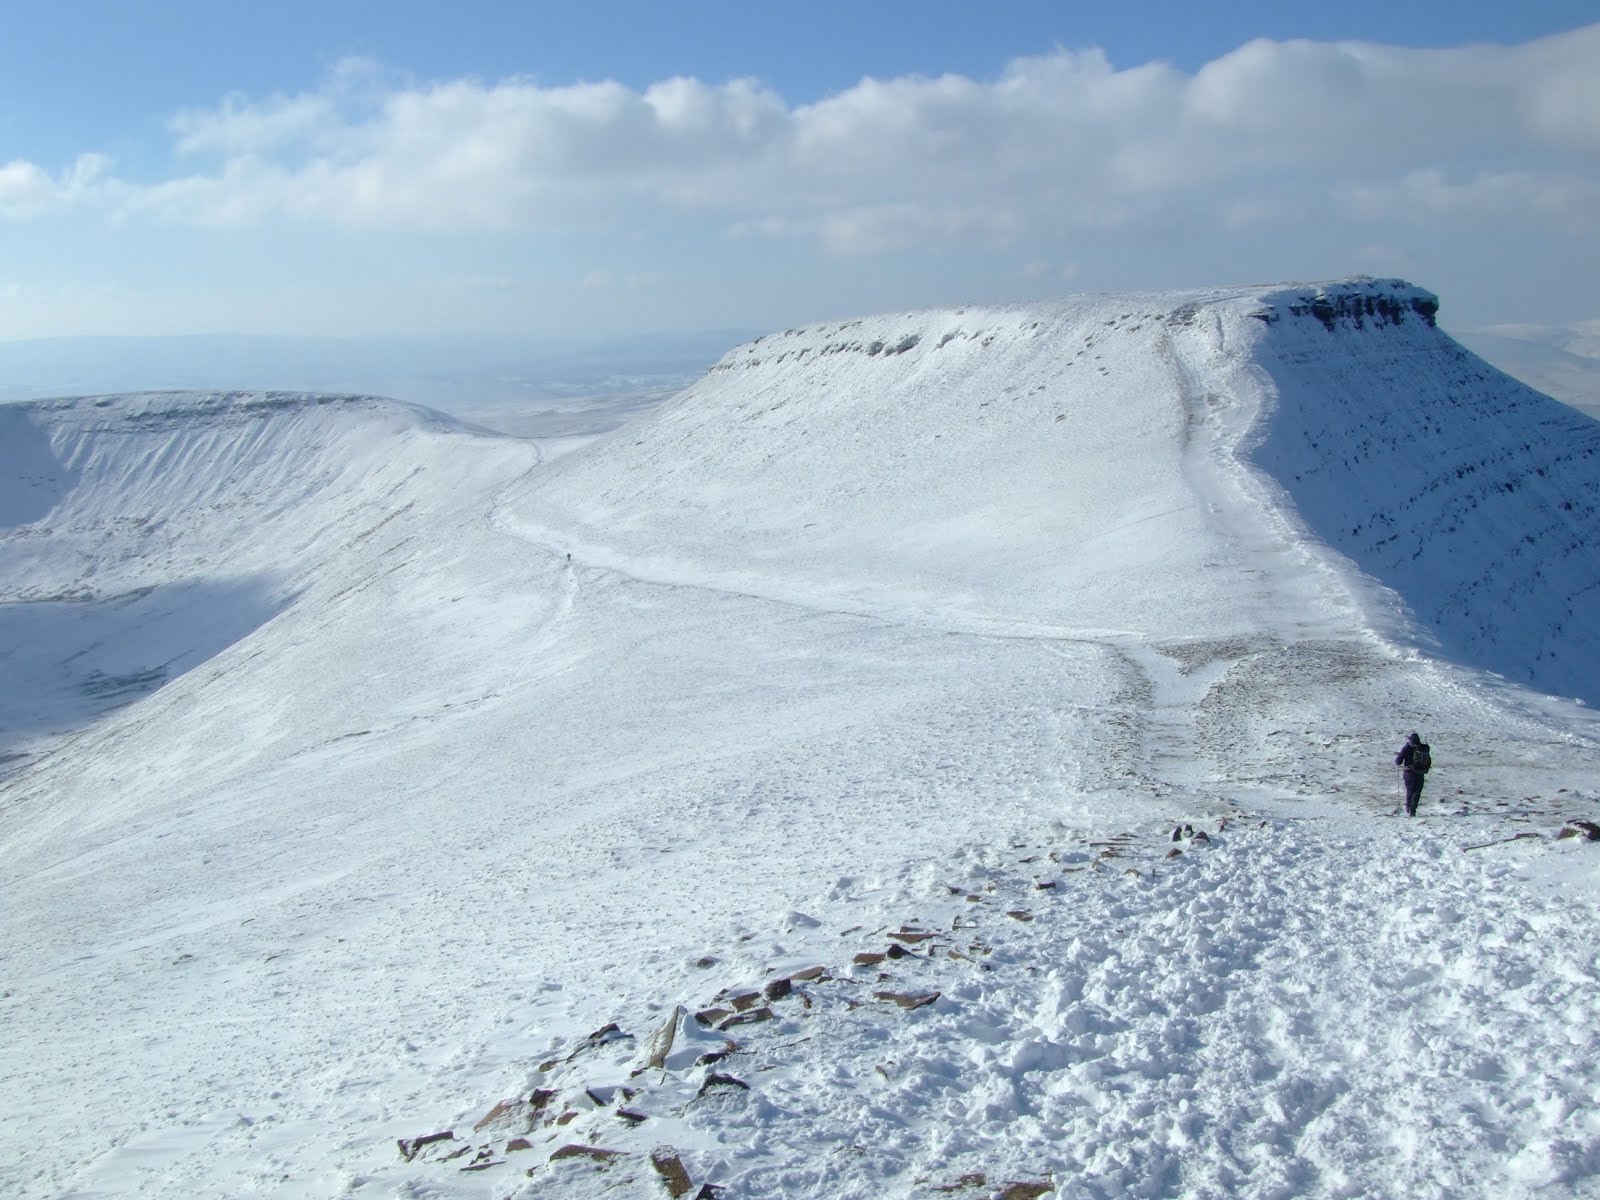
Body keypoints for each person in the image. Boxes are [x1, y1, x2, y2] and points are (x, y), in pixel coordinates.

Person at [1395, 732, 1431, 816]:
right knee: (1417, 792)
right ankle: (1413, 810)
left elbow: (1398, 761)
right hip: (1420, 773)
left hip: (1409, 773)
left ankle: (1408, 808)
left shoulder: (1407, 748)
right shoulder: (1422, 748)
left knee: (1410, 791)